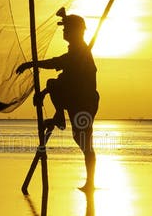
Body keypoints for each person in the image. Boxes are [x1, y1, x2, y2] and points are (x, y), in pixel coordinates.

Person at [16, 11, 99, 192]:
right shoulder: (76, 52)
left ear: (75, 31)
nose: (63, 32)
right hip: (76, 98)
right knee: (52, 83)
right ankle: (58, 116)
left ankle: (90, 183)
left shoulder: (80, 52)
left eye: (66, 28)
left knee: (83, 140)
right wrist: (45, 92)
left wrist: (31, 64)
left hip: (84, 102)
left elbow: (56, 63)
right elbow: (64, 79)